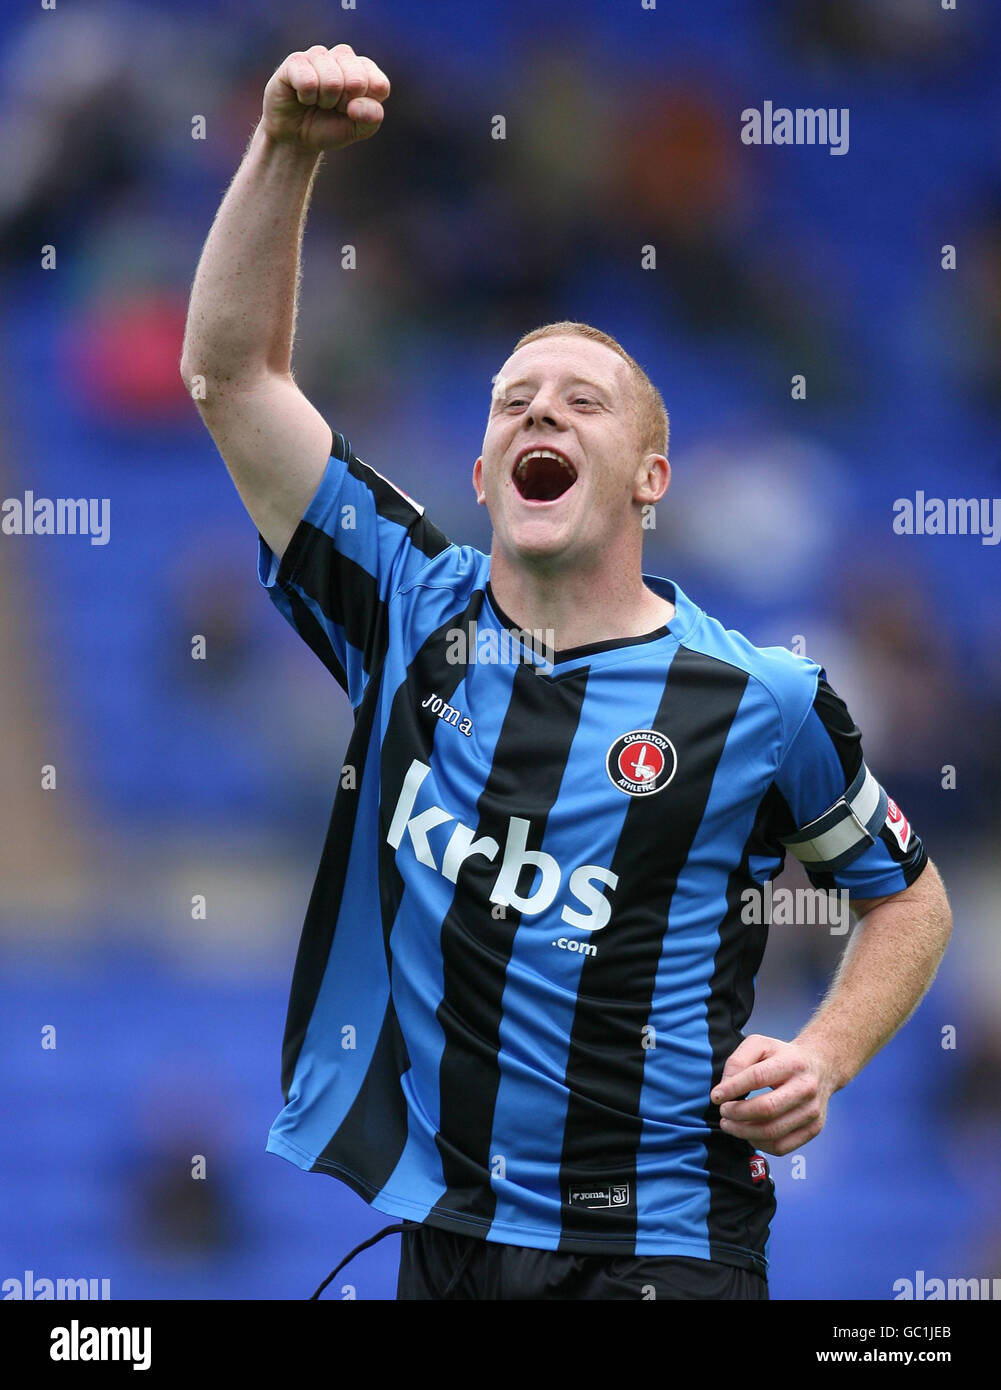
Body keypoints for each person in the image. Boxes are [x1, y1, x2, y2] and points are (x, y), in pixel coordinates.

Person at [180, 43, 952, 1301]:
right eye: (513, 400)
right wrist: (281, 150)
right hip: (444, 1240)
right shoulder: (404, 607)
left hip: (661, 1251)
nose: (541, 413)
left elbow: (907, 903)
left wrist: (821, 1055)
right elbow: (232, 380)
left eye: (583, 402)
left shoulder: (756, 699)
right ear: (482, 478)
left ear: (650, 478)